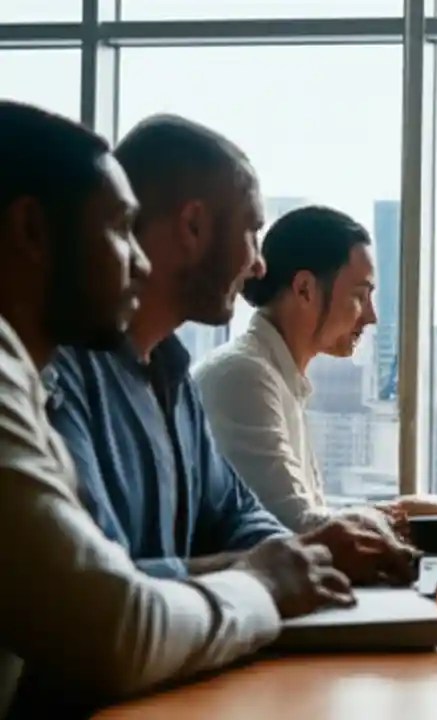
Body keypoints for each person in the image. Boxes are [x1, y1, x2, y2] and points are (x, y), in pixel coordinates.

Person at [0, 101, 351, 716]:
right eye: (117, 229)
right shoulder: (44, 378)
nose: (138, 260)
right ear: (31, 232)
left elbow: (235, 514)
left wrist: (296, 565)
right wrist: (261, 579)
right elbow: (112, 615)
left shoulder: (166, 374)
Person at [45, 114, 417, 586]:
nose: (259, 264)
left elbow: (236, 513)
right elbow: (104, 592)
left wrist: (306, 555)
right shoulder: (63, 378)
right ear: (193, 226)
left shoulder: (172, 376)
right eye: (250, 233)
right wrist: (271, 567)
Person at [193, 205, 437, 533]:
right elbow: (295, 527)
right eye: (360, 296)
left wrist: (391, 511)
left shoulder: (275, 375)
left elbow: (304, 513)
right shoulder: (242, 377)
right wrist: (393, 514)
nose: (370, 316)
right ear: (305, 289)